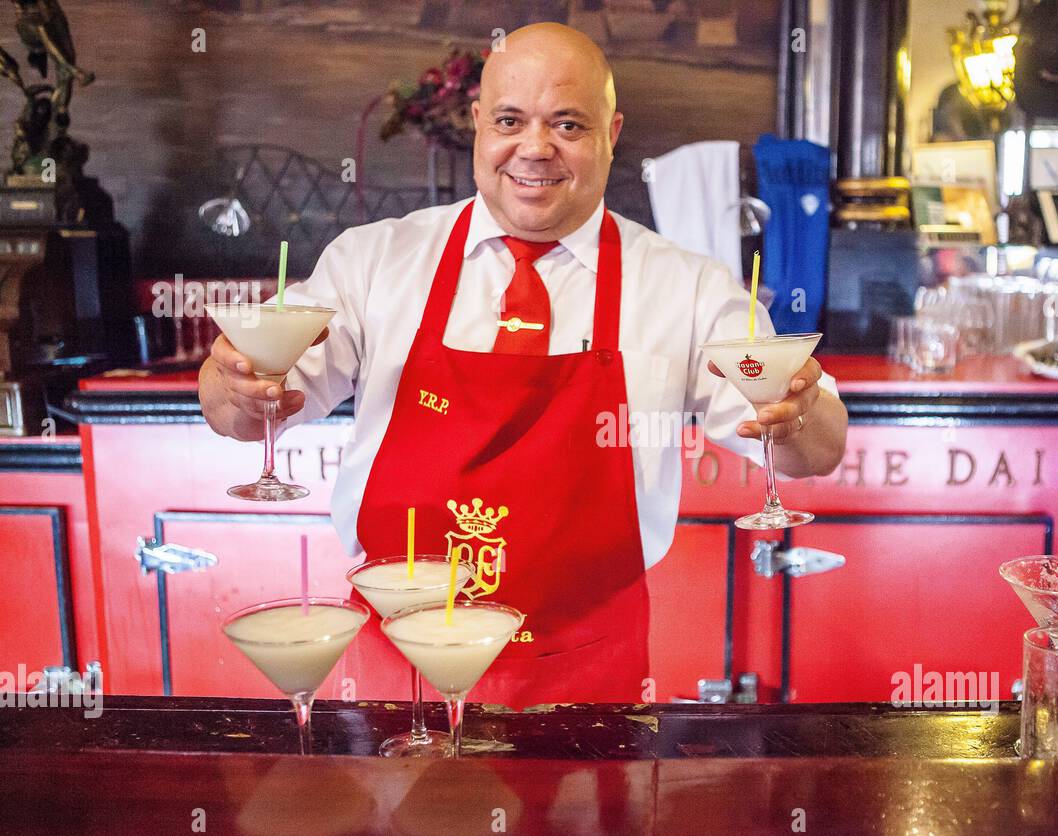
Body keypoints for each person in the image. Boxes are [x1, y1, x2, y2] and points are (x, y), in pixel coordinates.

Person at [199, 22, 848, 707]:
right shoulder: (375, 261)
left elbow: (818, 450)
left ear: (611, 131)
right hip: (400, 662)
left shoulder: (687, 286)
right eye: (510, 120)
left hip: (589, 667)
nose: (535, 149)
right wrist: (236, 386)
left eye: (568, 124)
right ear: (478, 123)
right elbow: (241, 412)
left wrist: (797, 415)